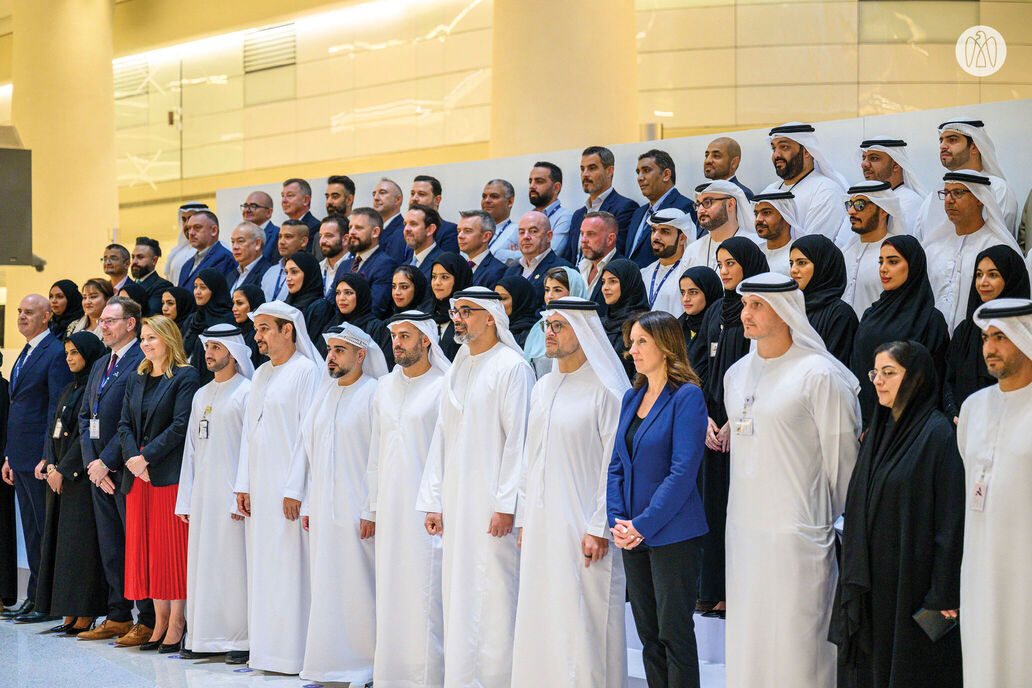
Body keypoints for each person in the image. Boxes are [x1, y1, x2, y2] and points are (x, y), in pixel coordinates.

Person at [723, 272, 861, 688]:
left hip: (799, 535)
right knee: (750, 639)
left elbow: (845, 466)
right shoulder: (735, 374)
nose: (745, 313)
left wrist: (824, 524)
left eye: (757, 305)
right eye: (745, 304)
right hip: (744, 534)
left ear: (785, 311)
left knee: (799, 645)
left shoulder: (818, 375)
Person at [416, 287, 534, 687]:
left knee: (495, 593)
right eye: (455, 311)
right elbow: (441, 437)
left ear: (490, 318)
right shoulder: (459, 365)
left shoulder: (511, 367)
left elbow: (519, 441)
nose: (458, 318)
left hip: (491, 509)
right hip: (456, 502)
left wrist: (506, 505)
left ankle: (498, 679)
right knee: (459, 593)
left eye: (466, 311)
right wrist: (434, 500)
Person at [831, 340, 964, 688]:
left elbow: (950, 523)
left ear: (915, 378)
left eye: (889, 373)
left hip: (912, 584)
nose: (878, 381)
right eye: (875, 372)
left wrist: (942, 593)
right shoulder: (877, 433)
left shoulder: (938, 436)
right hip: (871, 582)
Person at [512, 298, 629, 687]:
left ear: (583, 332)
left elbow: (614, 467)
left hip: (584, 528)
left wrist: (599, 526)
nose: (549, 332)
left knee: (583, 622)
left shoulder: (607, 390)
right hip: (543, 526)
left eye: (559, 326)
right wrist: (525, 519)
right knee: (542, 615)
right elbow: (530, 461)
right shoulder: (544, 386)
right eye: (548, 325)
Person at [606, 310, 708, 688]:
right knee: (649, 636)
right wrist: (619, 522)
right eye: (630, 342)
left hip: (673, 534)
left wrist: (641, 525)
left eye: (641, 342)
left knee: (673, 635)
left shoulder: (687, 397)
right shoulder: (631, 398)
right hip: (632, 534)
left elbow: (682, 473)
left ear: (666, 346)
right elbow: (616, 465)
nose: (632, 349)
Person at [286, 324, 386, 683]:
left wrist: (371, 509)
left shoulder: (375, 393)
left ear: (361, 355)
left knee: (360, 589)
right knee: (326, 588)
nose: (331, 357)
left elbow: (379, 458)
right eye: (329, 350)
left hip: (359, 512)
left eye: (340, 350)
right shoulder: (324, 395)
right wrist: (308, 503)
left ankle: (365, 665)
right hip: (325, 513)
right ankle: (326, 665)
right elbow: (311, 453)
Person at [234, 301, 320, 674]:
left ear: (288, 330)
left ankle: (292, 654)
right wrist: (243, 484)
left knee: (289, 569)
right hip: (259, 488)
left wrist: (295, 488)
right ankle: (266, 651)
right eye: (257, 330)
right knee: (262, 568)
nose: (259, 337)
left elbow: (307, 436)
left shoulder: (307, 371)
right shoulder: (262, 374)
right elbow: (248, 434)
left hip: (287, 491)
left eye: (265, 329)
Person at [364, 311, 449, 688]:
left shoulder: (445, 385)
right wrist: (372, 507)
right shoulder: (384, 386)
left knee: (425, 595)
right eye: (395, 335)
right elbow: (375, 453)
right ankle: (392, 675)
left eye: (406, 336)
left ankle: (426, 677)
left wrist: (439, 502)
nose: (397, 342)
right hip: (390, 510)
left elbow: (447, 453)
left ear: (426, 340)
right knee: (391, 592)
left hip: (427, 511)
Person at [957, 297, 1032, 686]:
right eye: (986, 337)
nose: (989, 347)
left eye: (1001, 337)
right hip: (980, 568)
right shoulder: (973, 407)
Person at [696, 237, 769, 616]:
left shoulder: (759, 311)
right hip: (712, 428)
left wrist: (730, 422)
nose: (724, 271)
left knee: (737, 509)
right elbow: (702, 371)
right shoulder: (715, 312)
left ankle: (733, 591)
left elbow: (761, 371)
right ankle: (710, 587)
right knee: (712, 508)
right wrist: (706, 418)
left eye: (731, 264)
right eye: (720, 264)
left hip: (744, 427)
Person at [117, 316, 199, 653]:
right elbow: (123, 425)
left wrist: (146, 458)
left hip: (168, 475)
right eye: (144, 339)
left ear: (169, 339)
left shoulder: (185, 376)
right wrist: (135, 462)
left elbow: (181, 427)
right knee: (148, 550)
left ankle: (177, 621)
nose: (146, 344)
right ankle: (159, 619)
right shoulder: (136, 378)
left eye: (153, 338)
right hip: (138, 476)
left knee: (171, 551)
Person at [76, 297, 155, 645]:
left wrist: (106, 462)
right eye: (102, 321)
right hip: (99, 471)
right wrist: (92, 464)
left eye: (110, 321)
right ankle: (118, 614)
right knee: (110, 546)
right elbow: (84, 417)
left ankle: (148, 617)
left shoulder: (141, 360)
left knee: (135, 546)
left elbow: (131, 421)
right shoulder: (100, 364)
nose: (103, 326)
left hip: (124, 470)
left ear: (130, 324)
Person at [174, 323, 253, 664]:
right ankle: (203, 637)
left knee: (232, 568)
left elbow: (250, 449)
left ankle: (239, 639)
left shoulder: (247, 392)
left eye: (217, 349)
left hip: (232, 498)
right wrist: (186, 498)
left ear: (234, 353)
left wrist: (242, 490)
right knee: (203, 566)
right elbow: (191, 451)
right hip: (204, 497)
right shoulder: (200, 395)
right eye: (207, 348)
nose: (209, 354)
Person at [1, 295, 72, 623]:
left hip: (39, 458)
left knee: (44, 530)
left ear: (46, 317)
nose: (21, 317)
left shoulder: (54, 352)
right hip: (20, 455)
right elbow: (18, 406)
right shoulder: (26, 353)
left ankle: (47, 601)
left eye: (28, 312)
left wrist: (48, 455)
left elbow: (53, 409)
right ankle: (33, 596)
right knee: (30, 529)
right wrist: (9, 456)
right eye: (19, 312)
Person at [33, 332, 108, 634]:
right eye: (67, 353)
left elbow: (85, 437)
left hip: (78, 478)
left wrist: (64, 470)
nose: (70, 358)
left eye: (75, 352)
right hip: (58, 478)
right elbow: (54, 430)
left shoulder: (92, 390)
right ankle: (66, 611)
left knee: (80, 547)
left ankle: (85, 612)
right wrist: (50, 464)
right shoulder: (68, 389)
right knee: (60, 546)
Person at [850, 236, 950, 425]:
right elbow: (857, 368)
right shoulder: (871, 314)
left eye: (893, 261)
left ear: (913, 266)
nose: (883, 268)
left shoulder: (930, 319)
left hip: (908, 425)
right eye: (881, 261)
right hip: (864, 423)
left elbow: (932, 381)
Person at [923, 171, 1028, 331]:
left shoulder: (998, 249)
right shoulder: (932, 248)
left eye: (958, 193)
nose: (949, 200)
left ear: (980, 198)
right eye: (946, 193)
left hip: (979, 344)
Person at [944, 245, 1030, 421]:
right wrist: (954, 414)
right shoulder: (965, 331)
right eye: (978, 274)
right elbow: (948, 380)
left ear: (1011, 278)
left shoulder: (1026, 331)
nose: (983, 282)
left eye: (993, 275)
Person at [915, 118, 1020, 241]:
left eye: (952, 140)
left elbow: (996, 242)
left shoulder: (997, 189)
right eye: (941, 140)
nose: (942, 146)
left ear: (974, 147)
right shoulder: (932, 197)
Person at [768, 122, 851, 245]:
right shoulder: (770, 190)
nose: (776, 155)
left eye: (784, 147)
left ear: (807, 151)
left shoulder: (826, 190)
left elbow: (813, 248)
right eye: (774, 148)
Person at [789, 234, 859, 366]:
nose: (793, 270)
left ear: (823, 266)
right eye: (791, 263)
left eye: (802, 263)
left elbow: (834, 367)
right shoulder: (792, 308)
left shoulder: (840, 314)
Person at [840, 181, 907, 318]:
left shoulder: (897, 255)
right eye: (850, 205)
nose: (851, 211)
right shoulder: (846, 252)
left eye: (860, 205)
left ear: (883, 210)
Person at [564, 145, 639, 264]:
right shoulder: (578, 215)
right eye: (582, 169)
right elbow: (569, 257)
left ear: (609, 171)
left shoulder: (625, 208)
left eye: (592, 168)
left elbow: (615, 254)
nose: (585, 174)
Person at [627, 149, 696, 266]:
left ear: (666, 175)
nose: (639, 177)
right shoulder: (638, 213)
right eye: (638, 172)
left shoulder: (685, 208)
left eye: (646, 170)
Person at [334, 207, 400, 319]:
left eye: (358, 228)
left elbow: (376, 309)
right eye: (350, 227)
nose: (352, 232)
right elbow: (333, 304)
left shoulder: (386, 265)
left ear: (375, 232)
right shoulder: (344, 265)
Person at [523, 266, 588, 377]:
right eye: (547, 290)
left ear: (574, 291)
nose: (549, 296)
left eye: (557, 290)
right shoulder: (538, 327)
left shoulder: (585, 329)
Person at [681, 180, 758, 273]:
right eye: (698, 204)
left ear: (730, 204)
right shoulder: (692, 250)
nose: (700, 210)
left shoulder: (755, 245)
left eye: (708, 202)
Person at [504, 210, 573, 307]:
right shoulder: (511, 271)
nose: (526, 237)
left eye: (533, 231)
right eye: (521, 232)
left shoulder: (563, 269)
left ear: (549, 236)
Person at [323, 273, 393, 367]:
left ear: (361, 296)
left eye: (348, 293)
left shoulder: (376, 328)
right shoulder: (332, 324)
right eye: (338, 293)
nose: (341, 298)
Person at [858, 136, 924, 233]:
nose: (864, 164)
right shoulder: (864, 199)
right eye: (864, 158)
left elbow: (898, 244)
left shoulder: (908, 201)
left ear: (895, 165)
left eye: (874, 158)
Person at [182, 269, 236, 386]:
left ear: (215, 290)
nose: (197, 292)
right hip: (188, 382)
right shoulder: (194, 318)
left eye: (203, 287)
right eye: (195, 287)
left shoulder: (228, 320)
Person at [599, 258, 650, 380]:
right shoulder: (601, 323)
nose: (605, 287)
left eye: (612, 281)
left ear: (628, 284)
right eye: (603, 282)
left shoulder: (643, 326)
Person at [641, 208, 692, 315]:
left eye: (665, 232)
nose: (655, 237)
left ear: (682, 238)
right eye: (653, 230)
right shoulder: (644, 273)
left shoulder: (688, 273)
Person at [677, 266, 723, 385]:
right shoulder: (678, 326)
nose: (685, 299)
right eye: (683, 293)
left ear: (709, 292)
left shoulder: (720, 328)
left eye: (693, 292)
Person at [428, 253, 474, 361]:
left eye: (444, 277)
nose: (437, 283)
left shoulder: (471, 316)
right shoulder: (424, 311)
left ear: (459, 279)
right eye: (434, 277)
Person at [284, 251, 335, 342]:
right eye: (287, 272)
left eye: (294, 272)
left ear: (308, 274)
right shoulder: (286, 304)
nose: (288, 278)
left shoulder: (320, 307)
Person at [177, 210, 237, 288]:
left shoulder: (226, 260)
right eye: (189, 228)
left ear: (214, 231)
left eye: (197, 227)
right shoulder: (187, 265)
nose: (191, 233)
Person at [527, 161, 574, 258]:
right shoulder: (528, 217)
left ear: (556, 187)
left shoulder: (564, 217)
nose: (532, 186)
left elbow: (551, 253)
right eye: (530, 181)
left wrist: (519, 252)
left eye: (539, 181)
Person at [577, 210, 622, 306]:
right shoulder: (580, 267)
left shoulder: (622, 271)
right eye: (582, 234)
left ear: (610, 239)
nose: (583, 240)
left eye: (591, 234)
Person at [751, 186, 799, 274]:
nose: (758, 219)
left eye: (766, 213)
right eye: (756, 214)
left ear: (786, 216)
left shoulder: (798, 255)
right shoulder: (754, 253)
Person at [261, 219, 309, 302]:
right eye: (280, 237)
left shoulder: (309, 272)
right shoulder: (271, 271)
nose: (281, 242)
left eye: (288, 237)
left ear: (303, 241)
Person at [408, 174, 459, 252]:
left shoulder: (449, 231)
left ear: (437, 200)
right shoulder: (404, 230)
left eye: (421, 194)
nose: (414, 198)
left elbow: (446, 262)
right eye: (412, 193)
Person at [458, 209, 508, 288]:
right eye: (459, 231)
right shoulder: (459, 267)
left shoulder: (498, 271)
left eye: (467, 231)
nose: (460, 236)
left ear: (486, 236)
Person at [165, 202, 210, 283]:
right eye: (184, 219)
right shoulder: (176, 253)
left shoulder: (213, 250)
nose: (187, 224)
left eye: (190, 218)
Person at [481, 178, 522, 265]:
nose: (487, 200)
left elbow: (530, 258)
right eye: (484, 196)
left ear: (510, 202)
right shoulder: (474, 230)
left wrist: (508, 256)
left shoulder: (519, 230)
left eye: (494, 196)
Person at [281, 177, 322, 258]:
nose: (284, 200)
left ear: (306, 200)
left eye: (289, 196)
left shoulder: (315, 228)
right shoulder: (282, 230)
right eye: (282, 196)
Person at [131, 237, 172, 317]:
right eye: (133, 257)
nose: (134, 262)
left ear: (154, 260)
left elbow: (150, 317)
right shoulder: (129, 285)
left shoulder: (163, 286)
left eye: (140, 257)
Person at [494, 275, 538, 348]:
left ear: (520, 299)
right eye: (495, 299)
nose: (498, 304)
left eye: (503, 298)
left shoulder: (533, 333)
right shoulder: (493, 328)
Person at [372, 178, 410, 263]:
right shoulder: (372, 231)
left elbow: (392, 266)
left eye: (382, 193)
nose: (376, 198)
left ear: (397, 199)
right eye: (374, 194)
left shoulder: (403, 231)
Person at [229, 221, 272, 293]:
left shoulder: (268, 273)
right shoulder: (231, 275)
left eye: (240, 241)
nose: (234, 247)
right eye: (233, 242)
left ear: (257, 244)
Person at [404, 203, 446, 278]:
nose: (406, 229)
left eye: (413, 224)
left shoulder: (443, 262)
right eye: (405, 224)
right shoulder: (404, 265)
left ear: (430, 229)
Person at [231, 284, 267, 368]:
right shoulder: (236, 332)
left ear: (253, 304)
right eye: (233, 303)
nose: (234, 308)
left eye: (239, 303)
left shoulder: (261, 335)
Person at [240, 190, 280, 264]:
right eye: (245, 206)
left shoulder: (278, 235)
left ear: (269, 212)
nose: (247, 210)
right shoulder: (241, 236)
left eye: (253, 206)